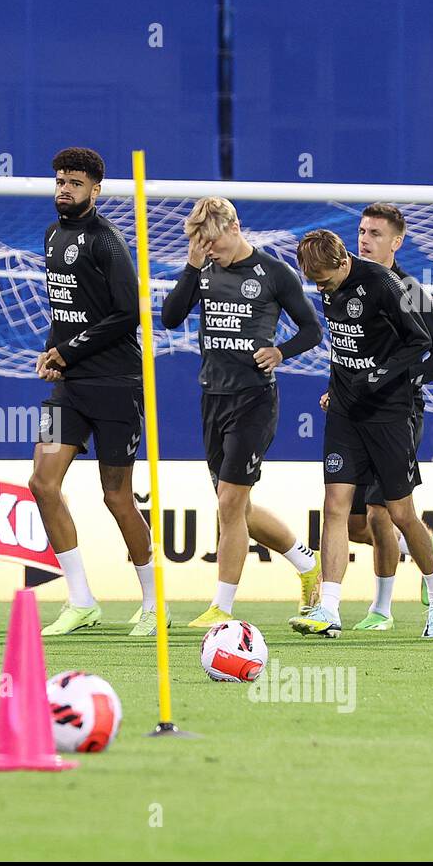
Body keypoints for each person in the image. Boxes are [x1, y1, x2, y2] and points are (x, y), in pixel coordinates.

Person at [159, 196, 323, 626]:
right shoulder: (203, 268)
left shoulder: (273, 273)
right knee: (237, 506)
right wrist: (192, 267)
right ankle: (307, 564)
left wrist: (281, 352)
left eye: (211, 242)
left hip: (254, 399)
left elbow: (311, 329)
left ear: (235, 227)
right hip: (213, 397)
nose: (208, 249)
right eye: (201, 244)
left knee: (230, 502)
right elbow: (171, 318)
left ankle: (222, 607)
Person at [291, 229, 433, 639]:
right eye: (315, 282)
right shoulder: (327, 284)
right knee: (335, 506)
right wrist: (338, 386)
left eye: (325, 279)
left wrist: (381, 376)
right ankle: (328, 608)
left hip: (388, 414)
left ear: (343, 261)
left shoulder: (384, 283)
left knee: (400, 513)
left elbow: (421, 340)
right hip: (346, 412)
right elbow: (343, 346)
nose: (320, 287)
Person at [29, 147, 158, 637]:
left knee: (117, 497)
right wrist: (51, 351)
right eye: (60, 180)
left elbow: (128, 315)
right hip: (71, 388)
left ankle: (151, 603)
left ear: (96, 190)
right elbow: (65, 310)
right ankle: (81, 600)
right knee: (42, 484)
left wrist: (70, 350)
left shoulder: (108, 243)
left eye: (76, 183)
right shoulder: (51, 233)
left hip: (116, 385)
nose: (65, 189)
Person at [340, 202, 433, 630]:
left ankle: (383, 609)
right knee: (356, 523)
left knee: (381, 514)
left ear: (396, 242)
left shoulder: (407, 290)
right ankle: (425, 547)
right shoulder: (347, 284)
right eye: (362, 231)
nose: (364, 240)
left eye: (375, 233)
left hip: (398, 414)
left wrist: (408, 380)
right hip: (354, 413)